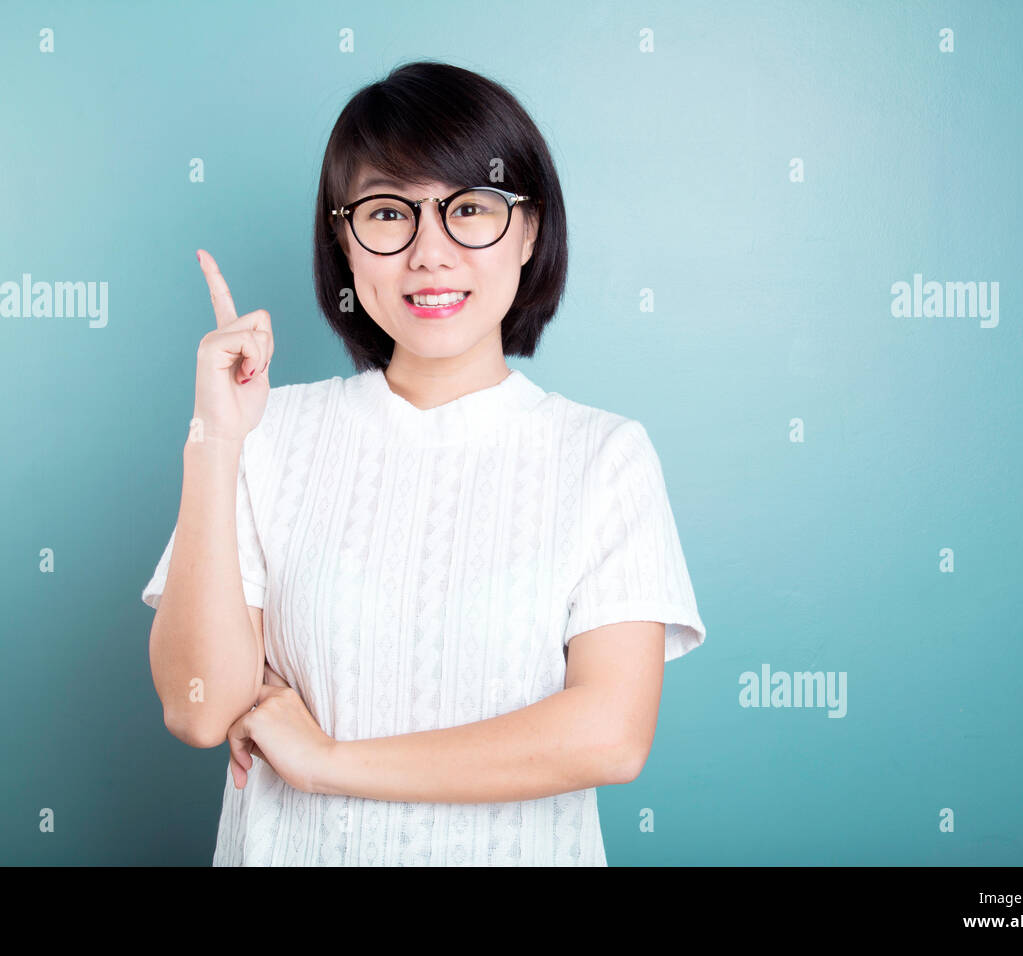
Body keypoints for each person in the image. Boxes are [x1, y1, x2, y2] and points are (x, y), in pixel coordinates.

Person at [141, 60, 706, 866]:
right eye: (386, 213)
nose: (429, 253)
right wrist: (216, 440)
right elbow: (199, 711)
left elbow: (608, 736)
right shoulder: (271, 434)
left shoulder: (604, 456)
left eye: (469, 209)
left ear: (530, 229)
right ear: (344, 239)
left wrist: (330, 762)